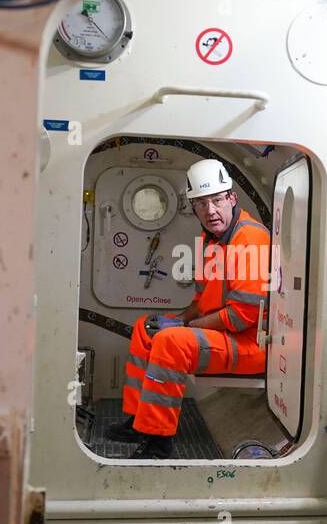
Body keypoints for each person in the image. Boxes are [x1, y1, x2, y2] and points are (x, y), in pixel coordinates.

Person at [107, 158, 271, 458]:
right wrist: (179, 319)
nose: (211, 211)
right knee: (147, 327)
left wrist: (183, 328)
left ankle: (158, 441)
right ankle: (138, 420)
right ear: (193, 207)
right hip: (225, 334)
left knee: (171, 342)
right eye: (201, 203)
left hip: (250, 344)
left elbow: (242, 316)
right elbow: (200, 302)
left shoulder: (249, 238)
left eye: (217, 200)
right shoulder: (212, 241)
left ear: (232, 198)